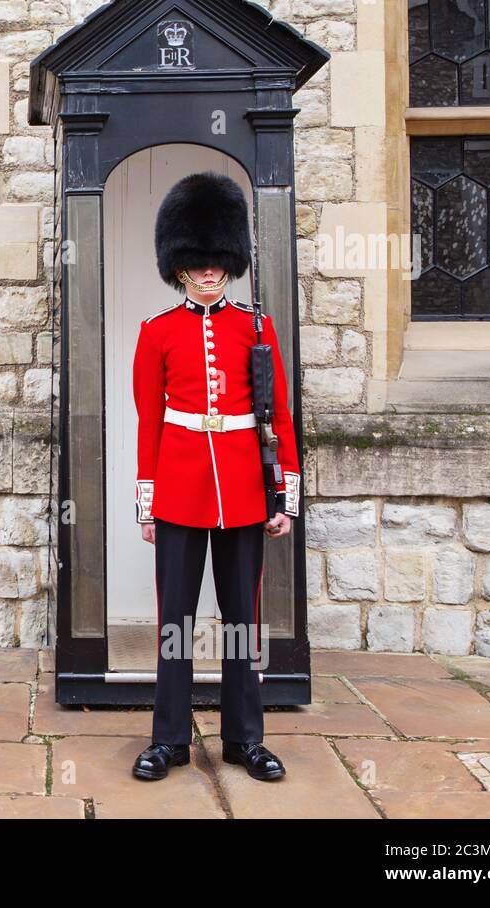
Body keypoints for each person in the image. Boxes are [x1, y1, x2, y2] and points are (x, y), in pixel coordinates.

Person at [130, 171, 301, 782]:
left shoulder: (256, 327)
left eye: (216, 261)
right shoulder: (157, 332)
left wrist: (285, 495)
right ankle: (169, 740)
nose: (208, 272)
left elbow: (277, 415)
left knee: (240, 621)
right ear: (180, 267)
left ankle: (244, 739)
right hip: (178, 487)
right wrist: (147, 502)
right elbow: (149, 421)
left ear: (229, 262)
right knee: (175, 620)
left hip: (245, 491)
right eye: (197, 262)